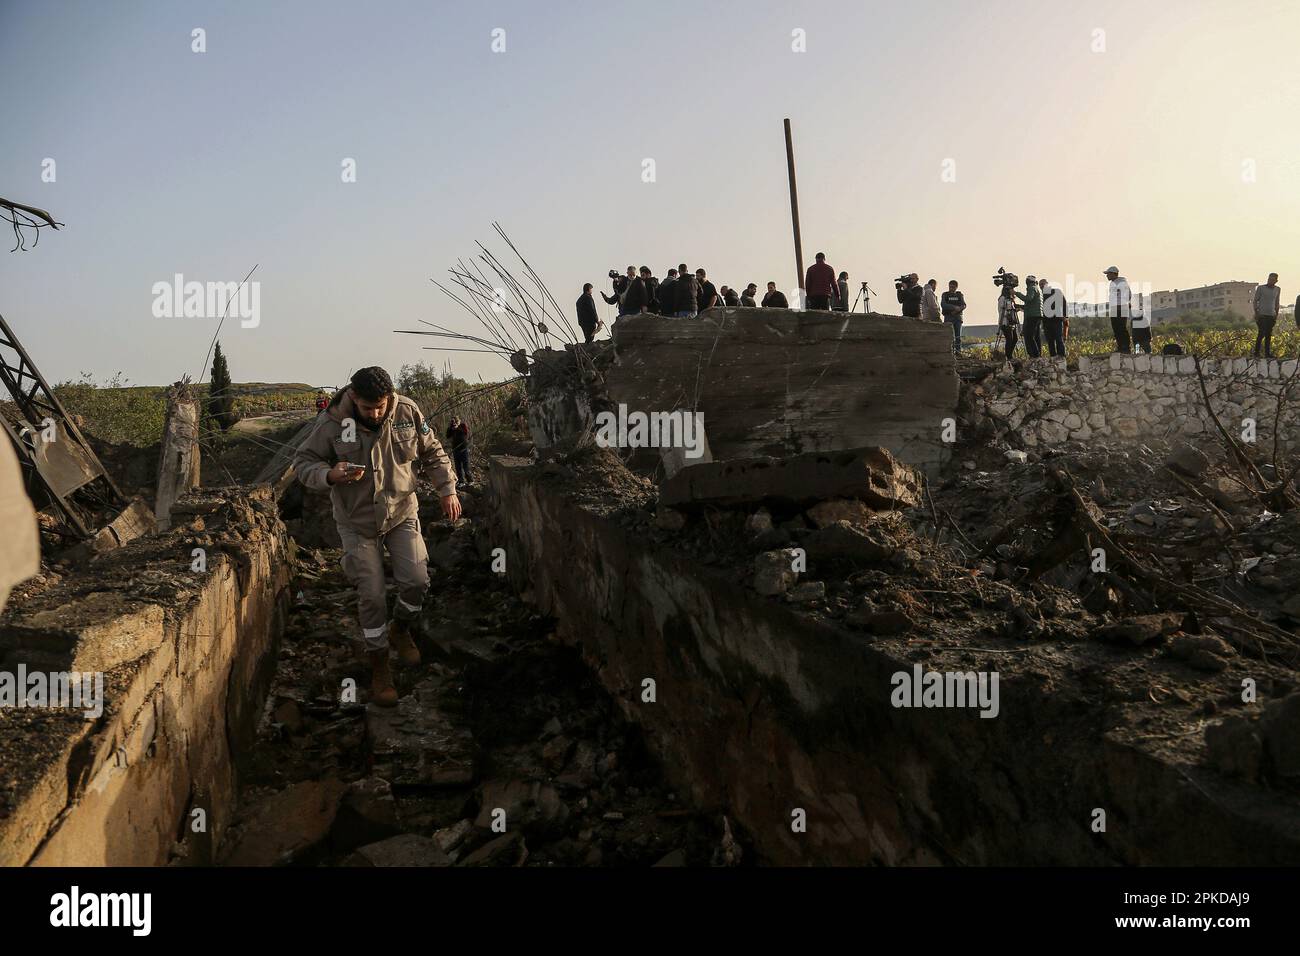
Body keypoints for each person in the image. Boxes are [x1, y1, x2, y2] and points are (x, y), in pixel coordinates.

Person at [293, 366, 461, 707]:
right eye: (368, 408)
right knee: (371, 595)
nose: (375, 413)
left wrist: (447, 489)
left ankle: (401, 628)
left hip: (401, 512)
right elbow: (303, 462)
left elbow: (433, 451)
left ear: (389, 397)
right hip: (357, 522)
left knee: (416, 580)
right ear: (354, 397)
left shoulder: (407, 411)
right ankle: (379, 663)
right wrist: (329, 474)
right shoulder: (331, 424)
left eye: (380, 406)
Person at [1253, 273, 1281, 358]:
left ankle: (1267, 354)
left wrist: (1276, 314)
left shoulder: (1277, 289)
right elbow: (1255, 301)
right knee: (1261, 333)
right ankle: (1256, 353)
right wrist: (1257, 313)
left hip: (1271, 315)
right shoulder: (1261, 288)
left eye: (1272, 280)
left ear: (1276, 281)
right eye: (1269, 279)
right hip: (1262, 315)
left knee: (1268, 334)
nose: (1270, 281)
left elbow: (1277, 302)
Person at [1104, 266, 1132, 353]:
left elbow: (1128, 295)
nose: (1107, 276)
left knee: (1121, 328)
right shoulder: (1115, 282)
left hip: (1120, 308)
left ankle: (1125, 347)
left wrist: (1123, 303)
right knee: (1117, 328)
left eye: (1108, 274)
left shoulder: (1121, 283)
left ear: (1113, 274)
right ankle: (1121, 347)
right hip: (1116, 308)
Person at [1015, 275, 1044, 357]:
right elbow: (1031, 304)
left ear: (1028, 282)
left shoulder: (1032, 288)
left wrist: (1016, 293)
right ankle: (1038, 354)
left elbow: (1028, 299)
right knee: (1036, 336)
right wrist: (1020, 307)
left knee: (1028, 336)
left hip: (1032, 316)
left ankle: (1034, 355)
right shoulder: (1037, 288)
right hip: (1038, 315)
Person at [1041, 278, 1067, 358]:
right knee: (1050, 341)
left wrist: (1065, 316)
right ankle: (1053, 357)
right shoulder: (1041, 296)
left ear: (1047, 284)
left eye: (1043, 284)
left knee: (1059, 339)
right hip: (1047, 321)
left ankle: (1062, 356)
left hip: (1057, 320)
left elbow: (1064, 303)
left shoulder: (1056, 291)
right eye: (1040, 285)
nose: (1042, 286)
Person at [940, 280, 966, 354]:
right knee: (949, 336)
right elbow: (943, 305)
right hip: (948, 317)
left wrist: (958, 309)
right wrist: (954, 307)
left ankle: (958, 352)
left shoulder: (959, 295)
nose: (951, 288)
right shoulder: (945, 295)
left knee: (958, 337)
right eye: (950, 286)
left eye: (953, 287)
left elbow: (963, 305)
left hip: (958, 318)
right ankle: (949, 352)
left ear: (956, 287)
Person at [446, 416, 471, 485]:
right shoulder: (452, 428)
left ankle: (470, 480)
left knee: (466, 467)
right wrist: (450, 427)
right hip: (456, 450)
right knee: (458, 467)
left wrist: (457, 427)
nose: (454, 423)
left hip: (463, 450)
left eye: (456, 421)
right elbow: (448, 436)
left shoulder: (462, 426)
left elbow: (465, 432)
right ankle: (461, 481)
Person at [997, 285, 1020, 361]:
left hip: (1011, 322)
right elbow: (1003, 309)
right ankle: (1008, 356)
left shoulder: (1011, 299)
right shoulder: (1002, 298)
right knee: (1009, 339)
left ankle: (1009, 354)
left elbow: (1012, 309)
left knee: (1015, 339)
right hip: (1005, 322)